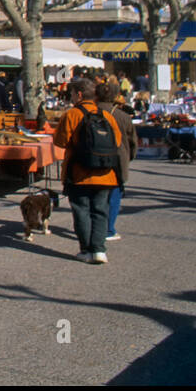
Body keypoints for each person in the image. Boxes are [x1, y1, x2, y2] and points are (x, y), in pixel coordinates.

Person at [53, 77, 122, 264]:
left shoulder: (72, 115)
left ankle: (86, 250)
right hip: (106, 173)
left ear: (79, 94)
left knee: (81, 210)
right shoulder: (107, 116)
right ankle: (99, 249)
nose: (71, 97)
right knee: (101, 210)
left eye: (73, 94)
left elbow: (59, 141)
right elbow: (116, 142)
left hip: (79, 172)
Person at [96, 80, 136, 242]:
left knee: (95, 194)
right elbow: (133, 142)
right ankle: (109, 229)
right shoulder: (124, 117)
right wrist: (129, 157)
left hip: (93, 158)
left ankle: (94, 226)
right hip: (117, 160)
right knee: (114, 194)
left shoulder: (88, 112)